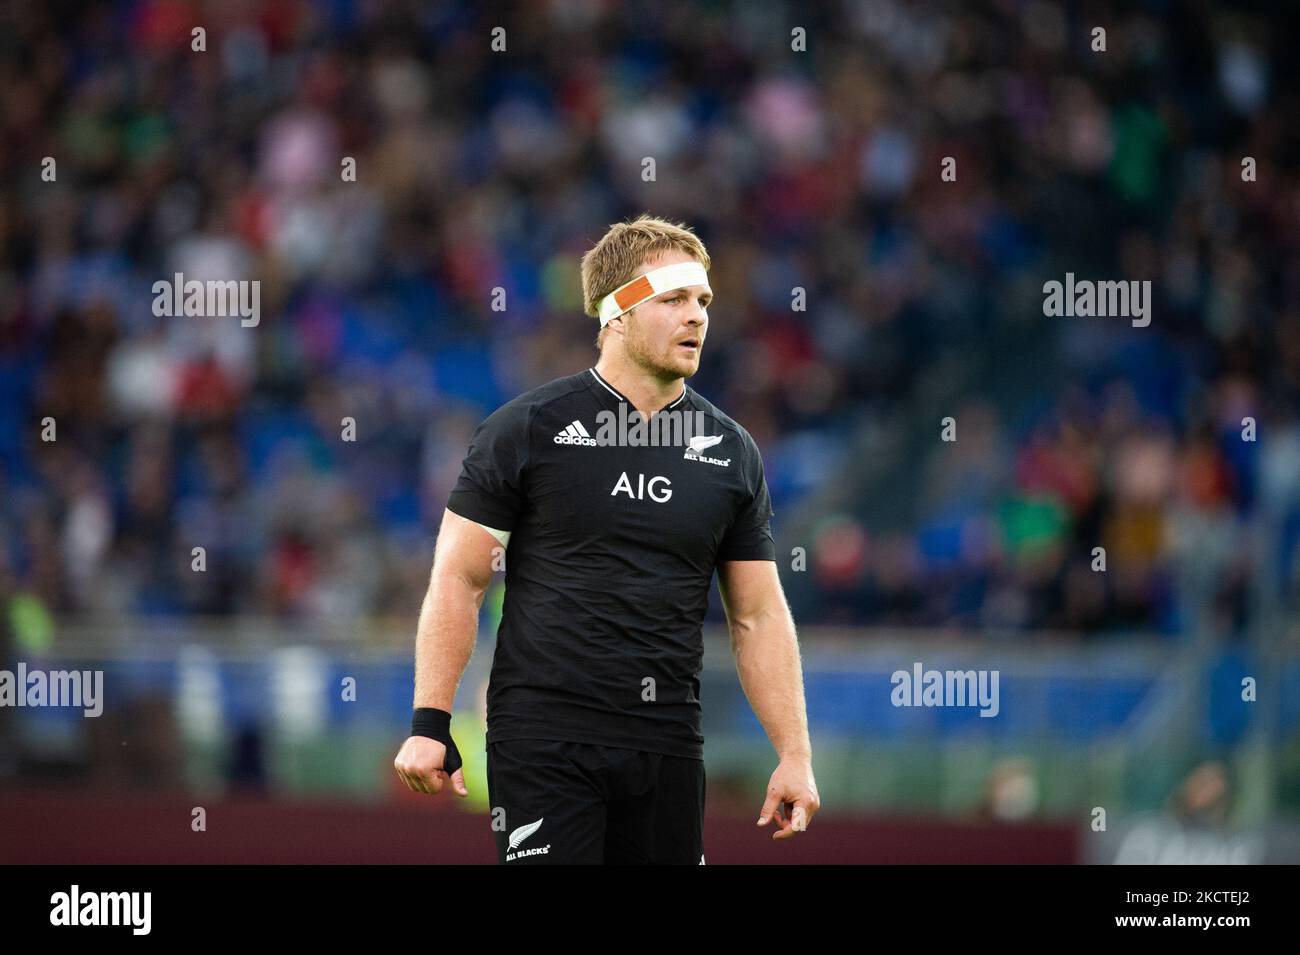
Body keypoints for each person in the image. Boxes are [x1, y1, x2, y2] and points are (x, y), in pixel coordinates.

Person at [393, 214, 819, 864]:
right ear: (616, 312)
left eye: (703, 300)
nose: (697, 316)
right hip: (543, 737)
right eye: (673, 298)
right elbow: (460, 577)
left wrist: (794, 752)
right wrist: (431, 722)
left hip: (668, 744)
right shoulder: (526, 430)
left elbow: (758, 614)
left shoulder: (732, 452)